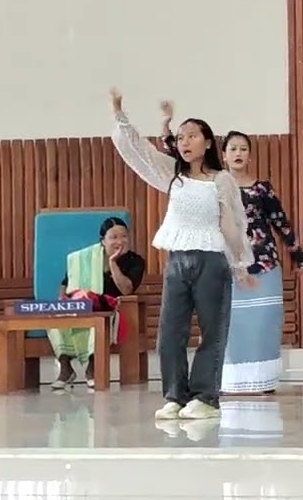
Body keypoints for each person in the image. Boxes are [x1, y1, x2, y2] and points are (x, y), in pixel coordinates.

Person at [107, 89, 255, 420]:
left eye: (192, 135)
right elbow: (139, 152)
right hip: (177, 261)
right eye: (181, 136)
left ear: (206, 143)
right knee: (169, 333)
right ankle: (175, 395)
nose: (185, 141)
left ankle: (205, 398)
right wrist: (119, 112)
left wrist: (240, 265)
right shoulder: (172, 175)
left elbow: (233, 224)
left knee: (212, 331)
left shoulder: (222, 180)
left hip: (212, 261)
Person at [162, 112, 303, 395]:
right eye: (233, 149)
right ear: (223, 155)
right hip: (224, 262)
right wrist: (166, 129)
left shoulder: (262, 188)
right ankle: (229, 381)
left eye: (244, 149)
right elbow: (178, 154)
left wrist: (297, 253)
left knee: (263, 324)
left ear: (250, 156)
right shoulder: (212, 182)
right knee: (228, 324)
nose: (239, 153)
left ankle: (262, 380)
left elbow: (280, 221)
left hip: (263, 262)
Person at [49, 216, 146, 389]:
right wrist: (63, 300)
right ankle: (65, 368)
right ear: (103, 241)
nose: (120, 241)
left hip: (112, 309)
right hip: (81, 306)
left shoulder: (135, 261)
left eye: (124, 236)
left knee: (99, 321)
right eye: (114, 237)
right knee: (56, 319)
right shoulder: (84, 259)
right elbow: (65, 284)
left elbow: (126, 290)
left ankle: (93, 368)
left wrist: (112, 263)